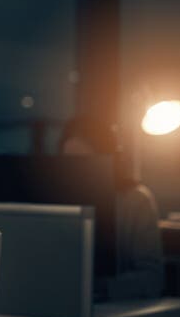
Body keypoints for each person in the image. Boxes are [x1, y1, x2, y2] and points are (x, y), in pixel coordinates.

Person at [60, 117, 164, 300]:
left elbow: (153, 278)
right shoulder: (59, 200)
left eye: (85, 162)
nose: (76, 172)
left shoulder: (135, 201)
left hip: (115, 307)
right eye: (69, 163)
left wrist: (103, 286)